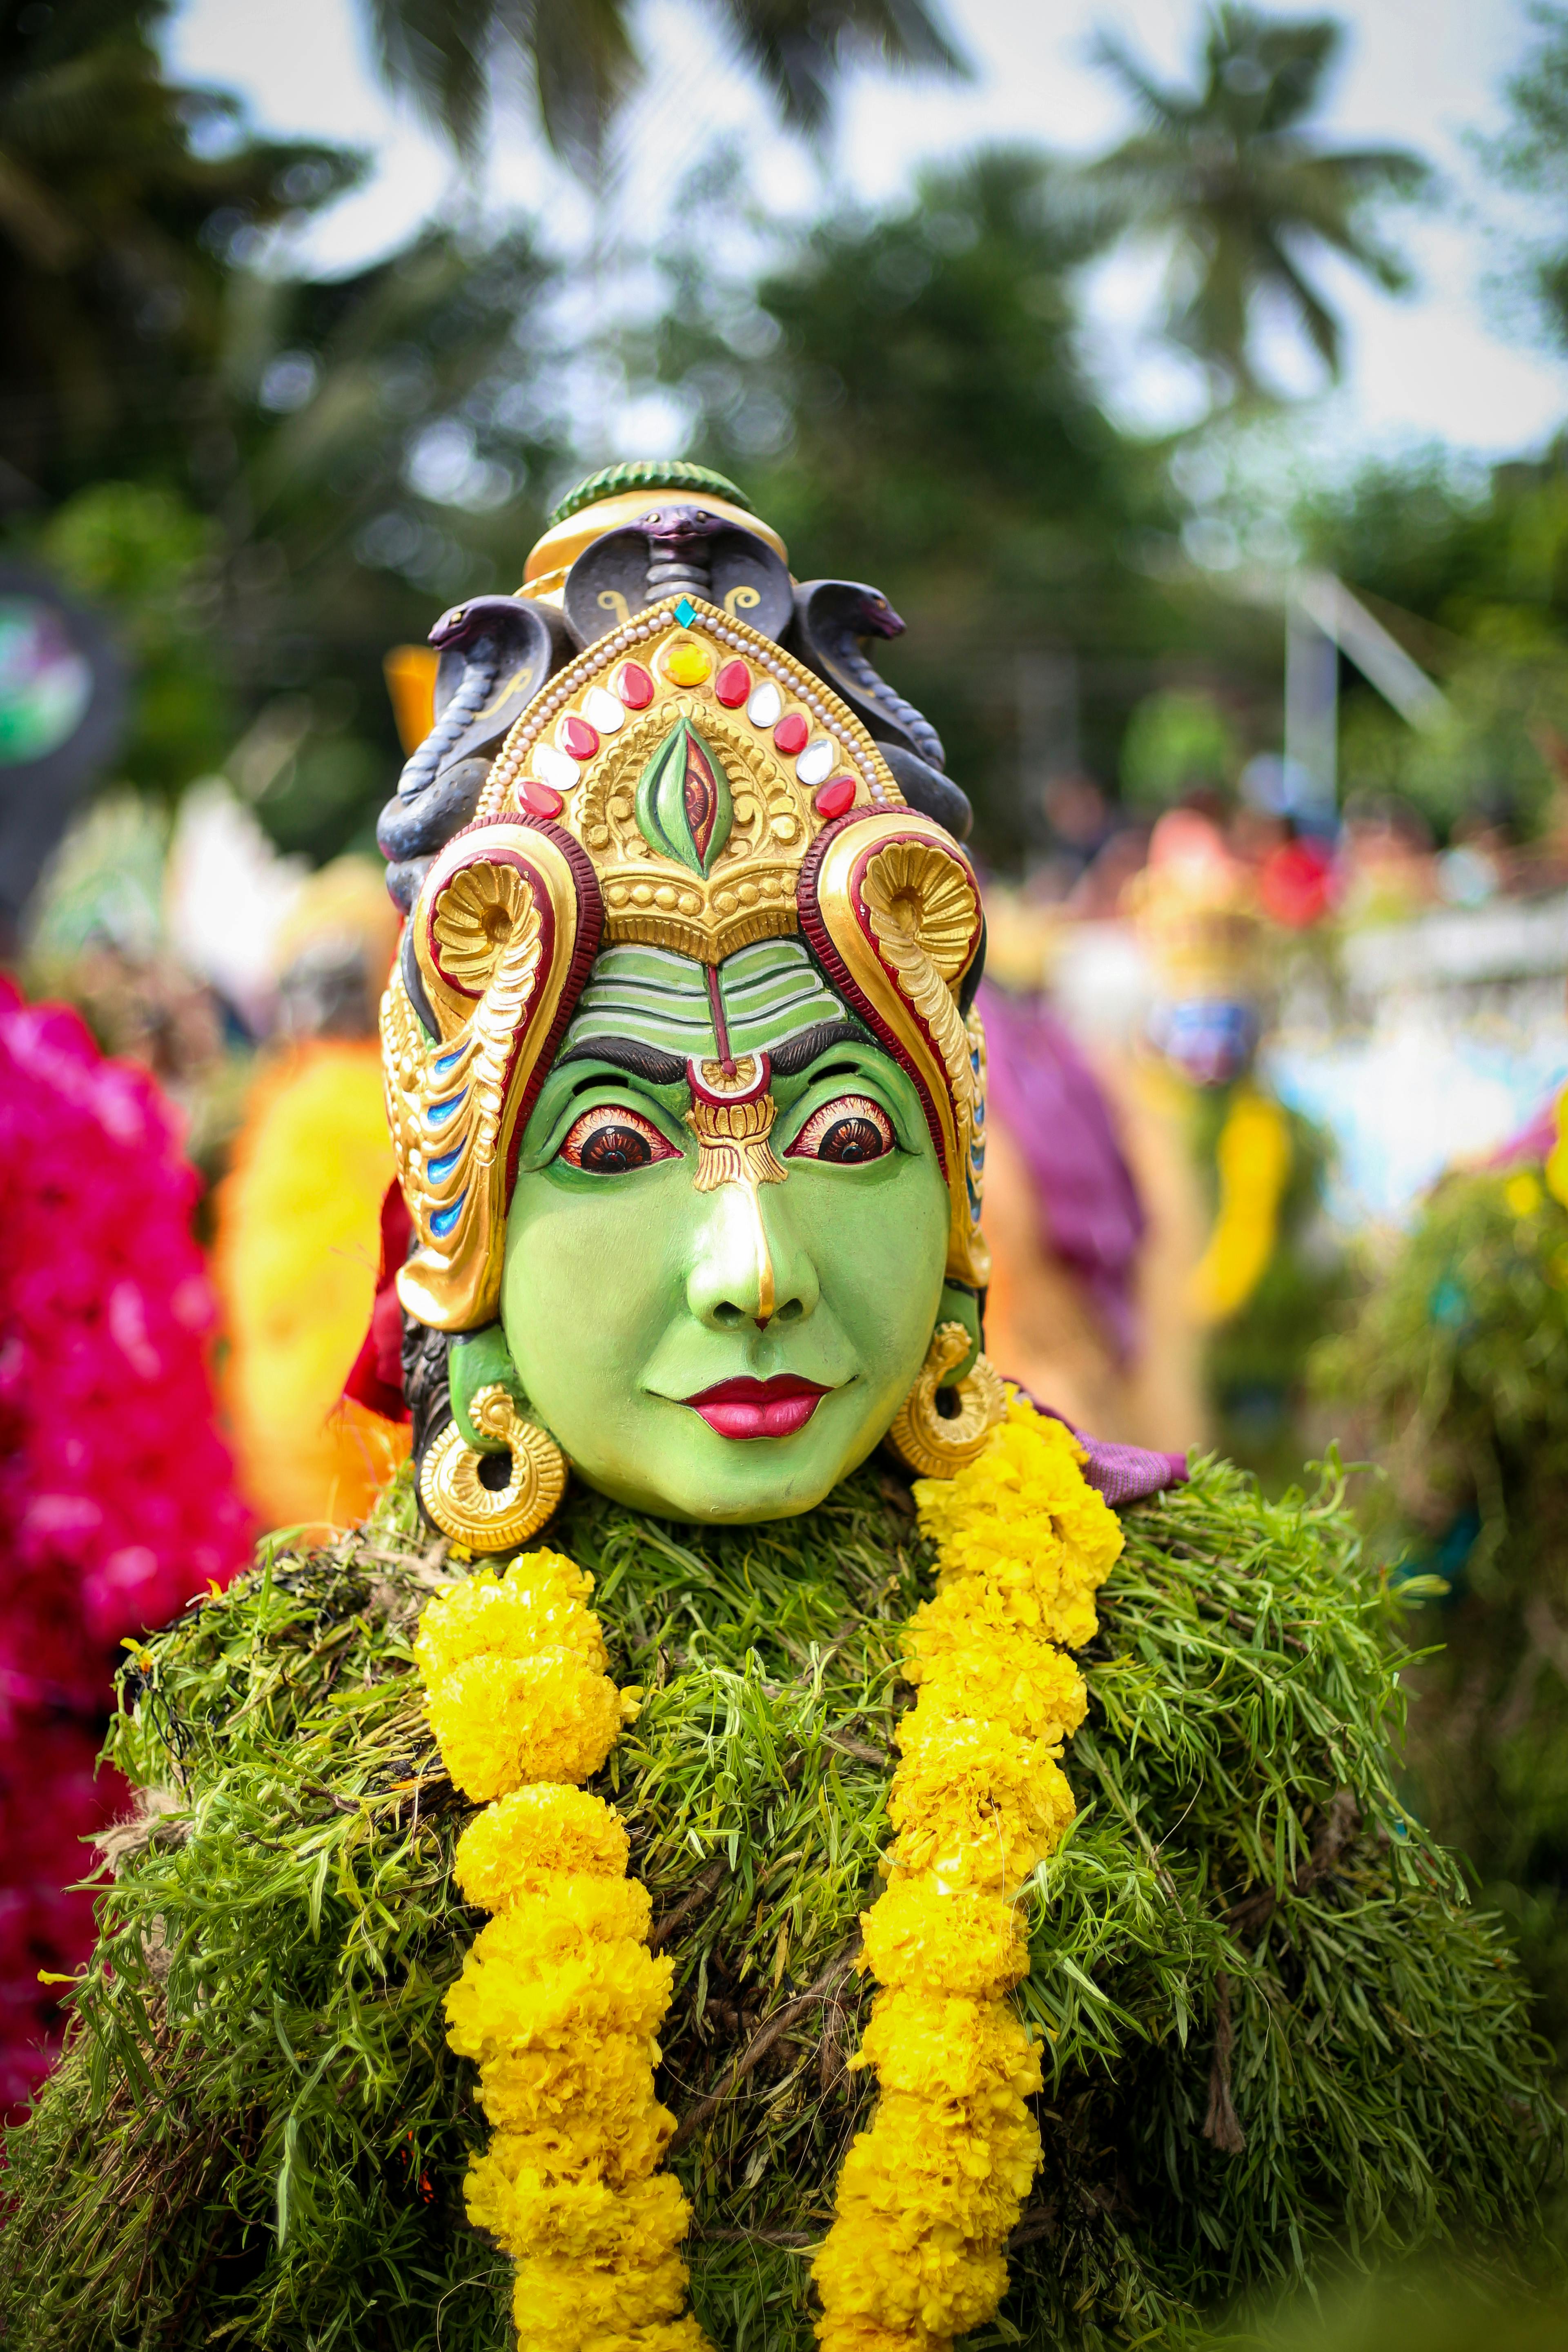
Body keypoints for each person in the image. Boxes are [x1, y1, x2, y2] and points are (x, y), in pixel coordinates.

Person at [2, 466, 1557, 2352]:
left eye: (838, 1134)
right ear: (460, 1223)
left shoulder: (1201, 1687)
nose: (755, 1263)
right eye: (618, 1139)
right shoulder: (319, 1747)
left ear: (958, 1191)